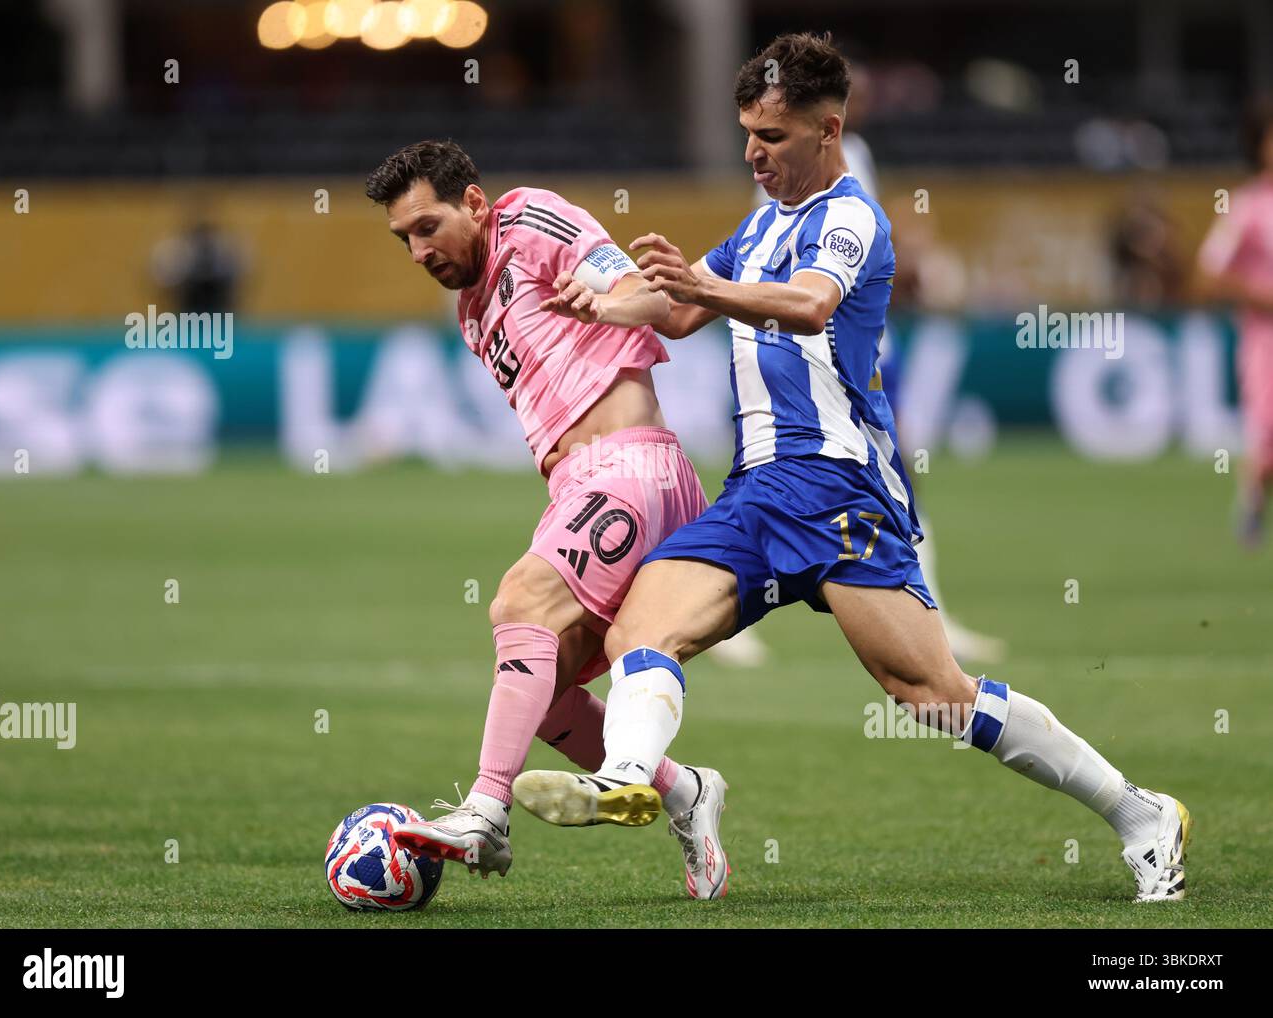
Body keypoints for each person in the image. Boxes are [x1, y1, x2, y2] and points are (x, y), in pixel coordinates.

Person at [520, 32, 1191, 903]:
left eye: (773, 137)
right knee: (638, 631)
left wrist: (700, 289)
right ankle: (636, 782)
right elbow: (678, 312)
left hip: (839, 488)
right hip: (757, 490)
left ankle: (1140, 813)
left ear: (828, 131)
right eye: (748, 135)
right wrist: (600, 300)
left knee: (932, 693)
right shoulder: (759, 225)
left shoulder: (851, 216)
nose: (754, 153)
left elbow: (806, 306)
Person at [363, 140, 730, 898]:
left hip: (634, 465)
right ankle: (684, 790)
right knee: (539, 688)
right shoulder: (471, 308)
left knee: (520, 601)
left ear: (473, 202)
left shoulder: (531, 220)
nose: (417, 250)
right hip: (579, 488)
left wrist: (606, 301)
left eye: (428, 227)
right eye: (404, 238)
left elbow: (652, 299)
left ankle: (484, 813)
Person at [1197, 101, 1273, 547]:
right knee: (1267, 431)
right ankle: (1251, 497)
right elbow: (1210, 273)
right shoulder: (1248, 205)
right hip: (1265, 339)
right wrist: (1260, 295)